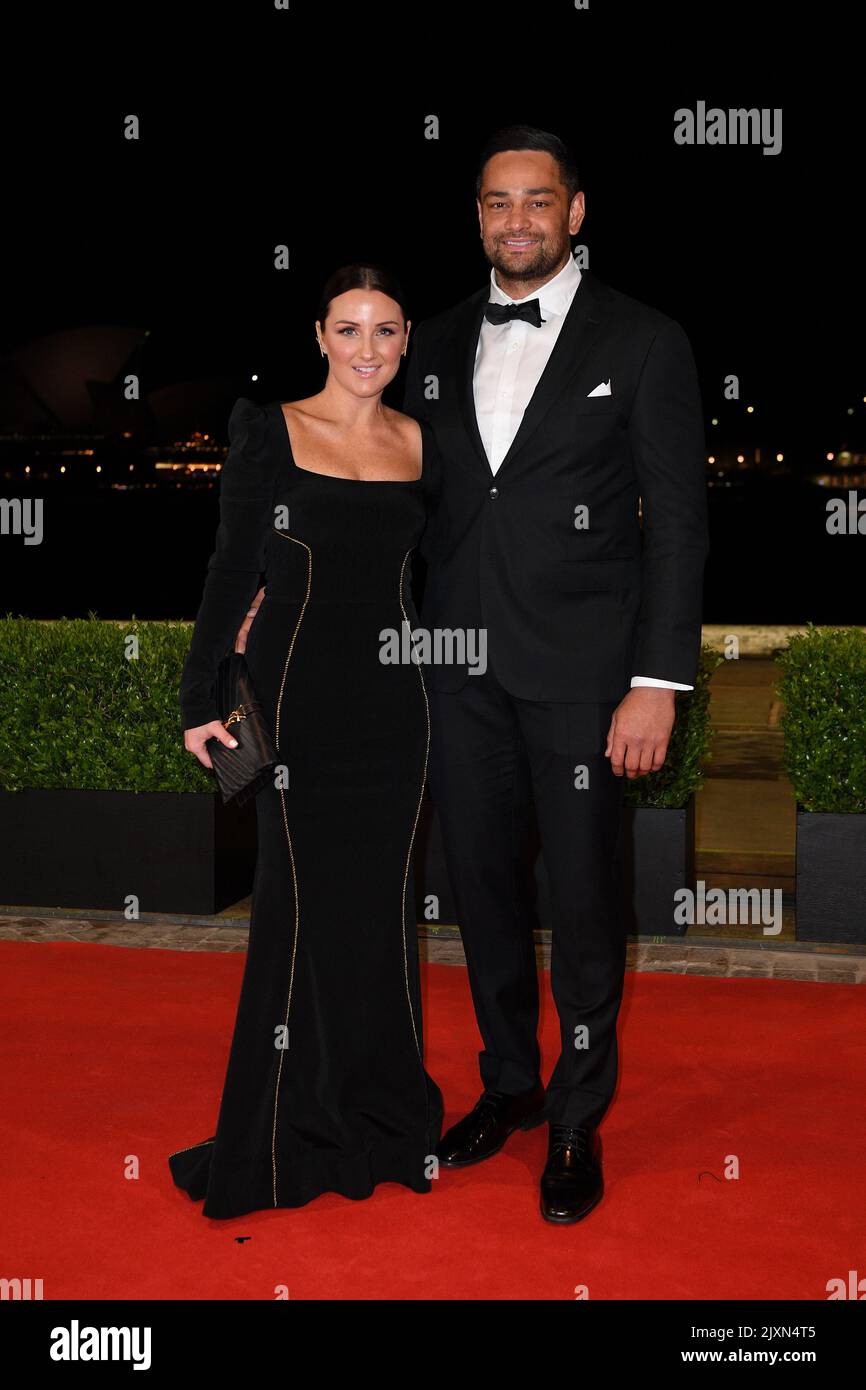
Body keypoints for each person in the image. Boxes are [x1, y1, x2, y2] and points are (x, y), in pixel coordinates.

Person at [401, 125, 709, 1223]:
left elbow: (675, 522)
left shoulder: (644, 339)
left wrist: (655, 682)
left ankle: (575, 1116)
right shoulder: (432, 340)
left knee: (580, 900)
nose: (516, 221)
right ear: (476, 215)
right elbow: (397, 501)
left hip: (585, 679)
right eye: (496, 203)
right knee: (479, 888)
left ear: (575, 212)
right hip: (456, 668)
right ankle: (509, 1085)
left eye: (537, 201)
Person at [168, 264, 444, 1219]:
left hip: (395, 702)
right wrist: (202, 695)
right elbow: (228, 568)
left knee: (379, 912)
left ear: (406, 341)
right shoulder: (270, 429)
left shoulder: (421, 441)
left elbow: (434, 576)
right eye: (348, 329)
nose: (366, 349)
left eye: (385, 331)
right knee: (293, 911)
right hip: (294, 694)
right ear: (319, 337)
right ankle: (279, 1140)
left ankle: (381, 1120)